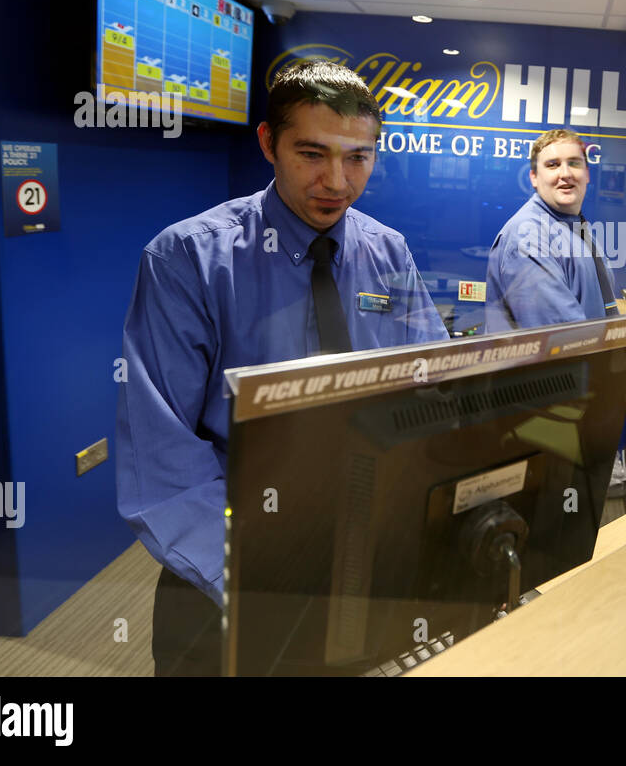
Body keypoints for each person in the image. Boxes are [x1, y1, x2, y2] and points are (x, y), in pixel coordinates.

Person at [115, 59, 447, 676]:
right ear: (268, 143)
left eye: (358, 158)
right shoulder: (187, 258)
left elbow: (428, 395)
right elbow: (162, 458)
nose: (337, 181)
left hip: (362, 561)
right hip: (231, 576)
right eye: (312, 153)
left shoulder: (387, 252)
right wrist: (259, 578)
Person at [485, 128, 626, 428]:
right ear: (534, 178)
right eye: (552, 165)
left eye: (574, 163)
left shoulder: (572, 223)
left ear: (587, 173)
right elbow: (564, 340)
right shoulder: (528, 240)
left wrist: (623, 345)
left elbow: (595, 305)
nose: (565, 173)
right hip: (539, 418)